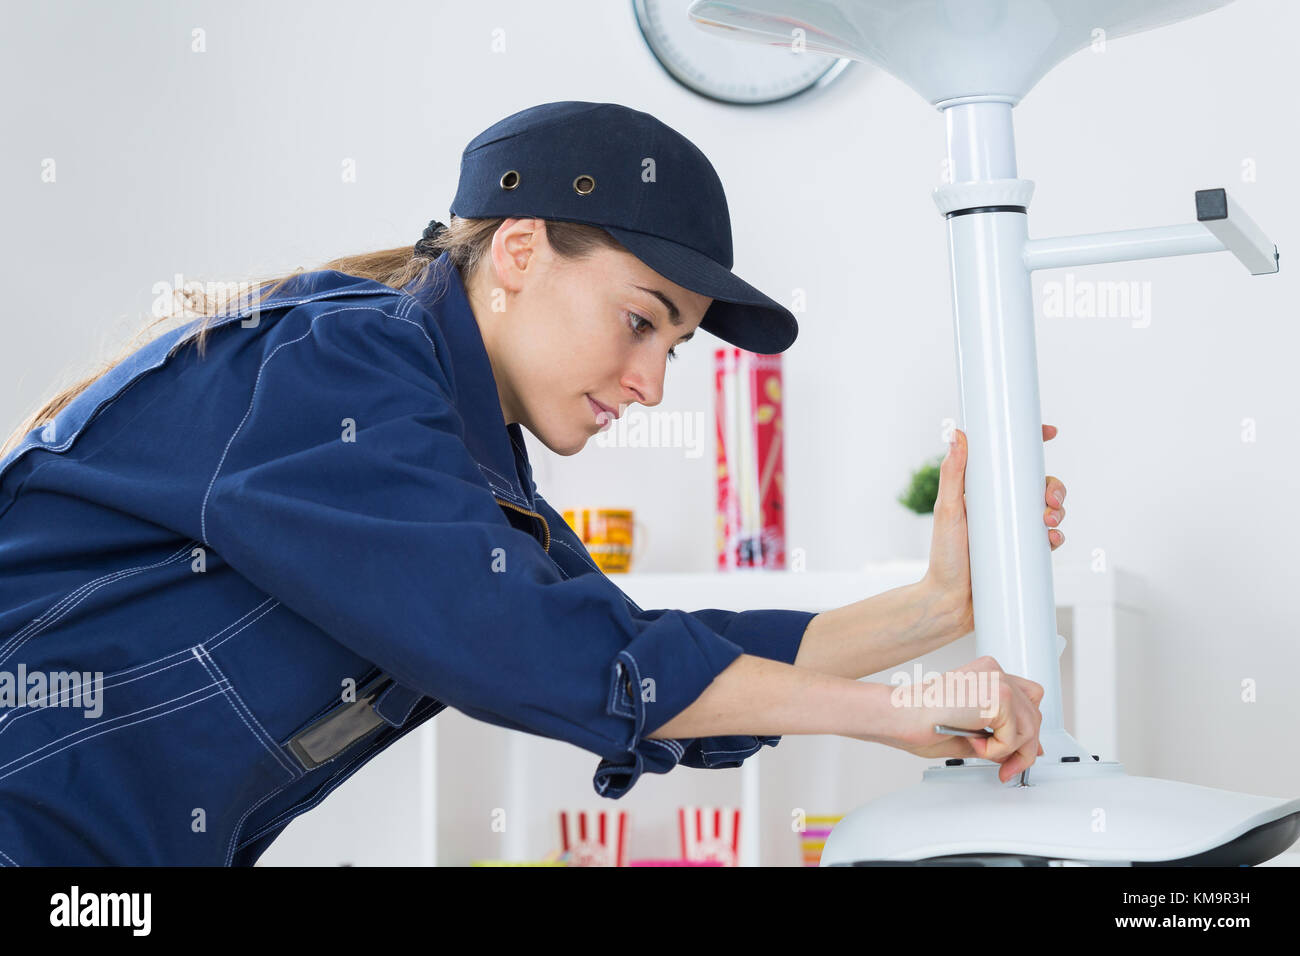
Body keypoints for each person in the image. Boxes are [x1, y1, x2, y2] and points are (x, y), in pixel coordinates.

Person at [0, 101, 1066, 866]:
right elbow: (550, 651)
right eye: (640, 320)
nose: (650, 382)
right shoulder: (338, 364)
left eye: (675, 349)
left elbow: (641, 647)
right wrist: (890, 713)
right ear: (517, 250)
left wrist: (936, 606)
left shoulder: (465, 467)